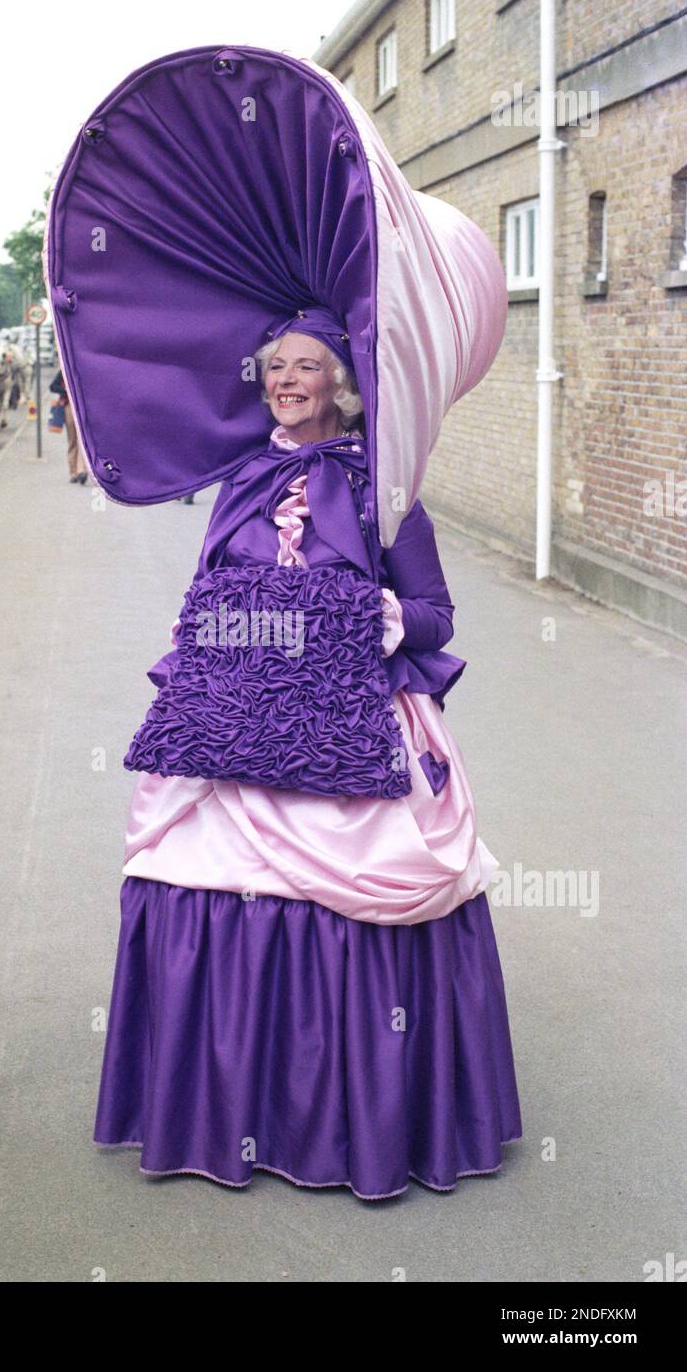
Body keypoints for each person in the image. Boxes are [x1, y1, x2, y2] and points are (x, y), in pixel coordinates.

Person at [93, 312, 522, 1199]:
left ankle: (342, 1123)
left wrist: (379, 618)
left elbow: (436, 614)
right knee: (186, 874)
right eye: (274, 366)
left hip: (352, 726)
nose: (285, 380)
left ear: (343, 384)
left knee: (370, 894)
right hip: (235, 731)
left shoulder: (385, 488)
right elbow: (210, 586)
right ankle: (219, 1106)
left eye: (306, 367)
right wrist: (200, 628)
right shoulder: (243, 479)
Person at [50, 366, 86, 484]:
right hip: (69, 406)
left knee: (84, 441)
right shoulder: (64, 370)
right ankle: (73, 472)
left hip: (84, 407)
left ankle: (82, 471)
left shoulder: (85, 368)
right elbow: (53, 386)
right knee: (72, 440)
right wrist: (67, 391)